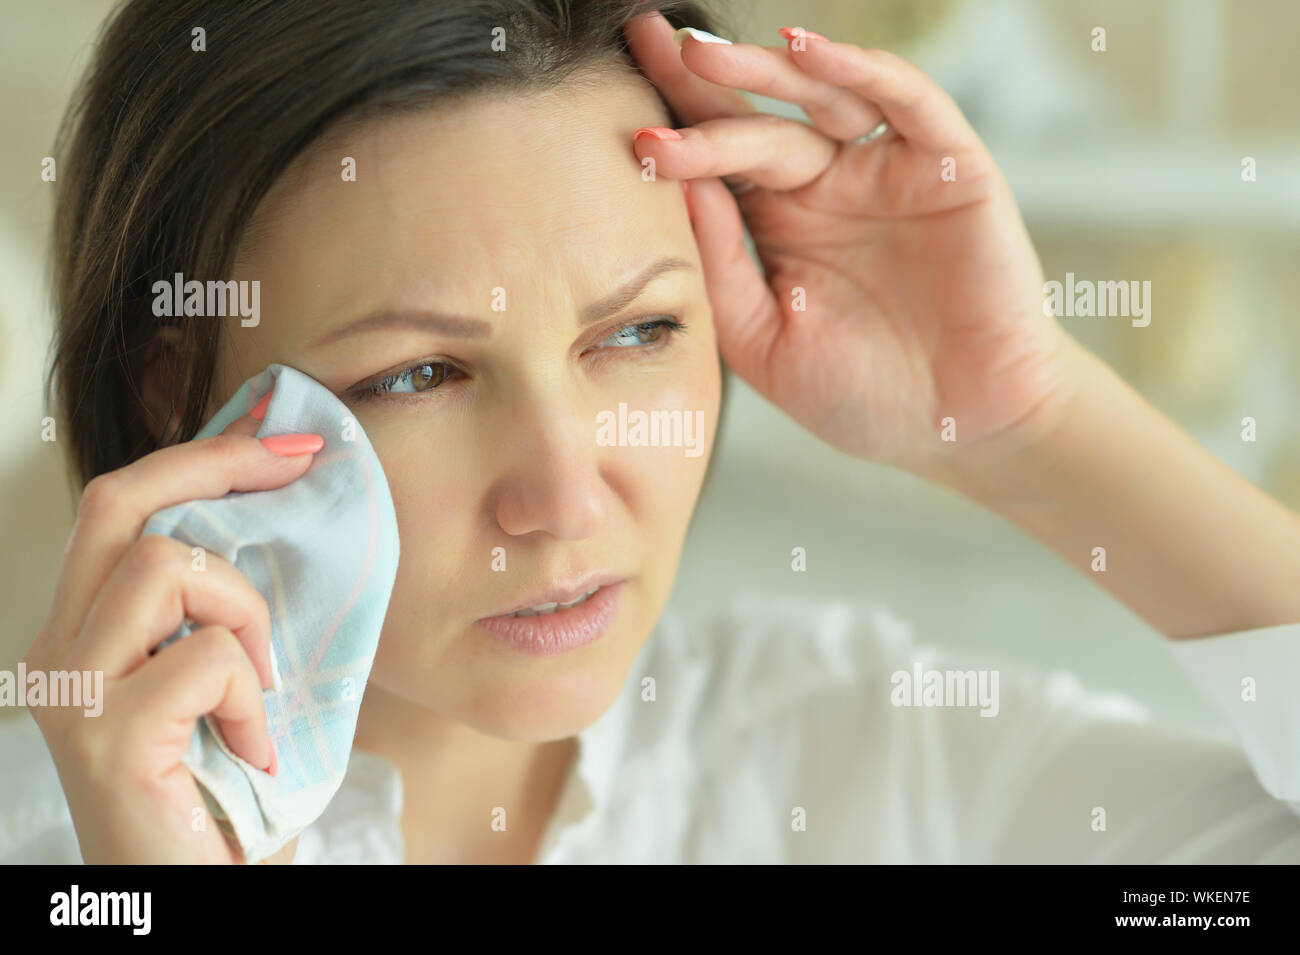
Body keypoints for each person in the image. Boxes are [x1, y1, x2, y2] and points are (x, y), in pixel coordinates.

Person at [4, 0, 1299, 864]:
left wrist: (1030, 418)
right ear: (182, 394)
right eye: (424, 373)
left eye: (635, 336)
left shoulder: (857, 751)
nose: (566, 498)